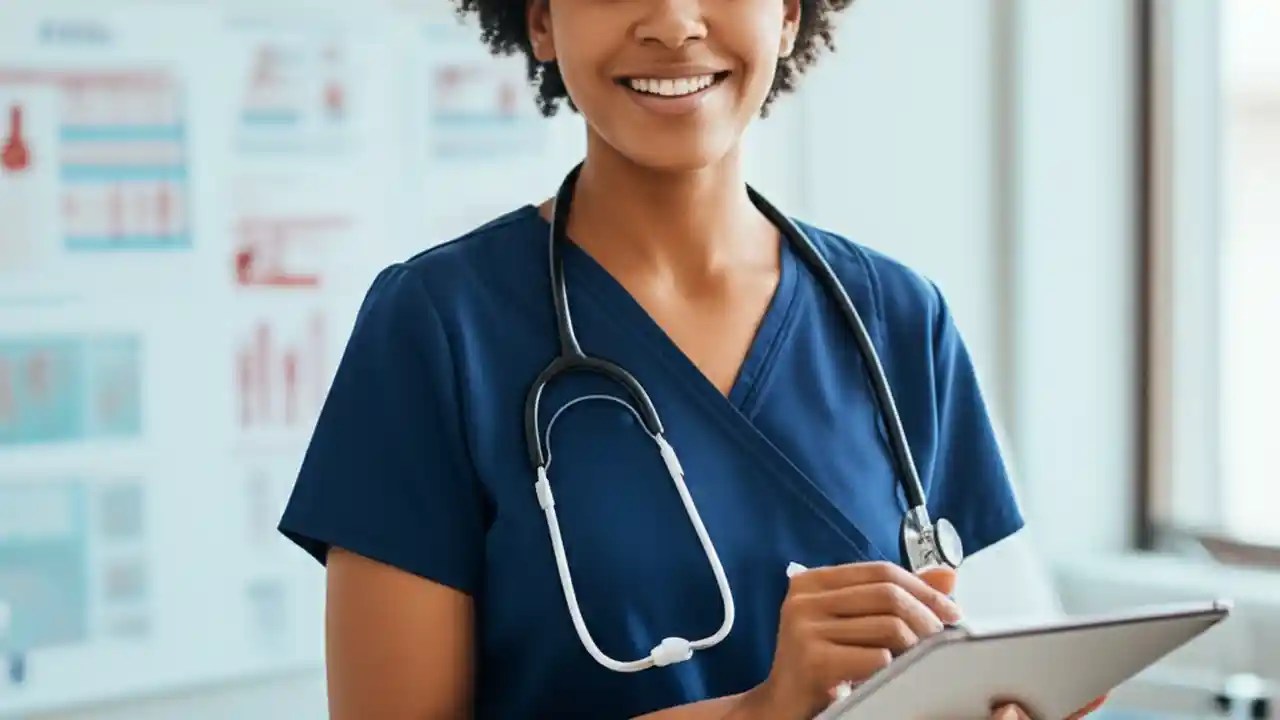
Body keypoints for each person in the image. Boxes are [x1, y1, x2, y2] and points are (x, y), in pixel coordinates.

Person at [277, 0, 1107, 717]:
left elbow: (994, 657)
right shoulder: (436, 327)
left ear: (788, 14)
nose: (673, 21)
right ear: (540, 19)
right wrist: (757, 715)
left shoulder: (897, 318)